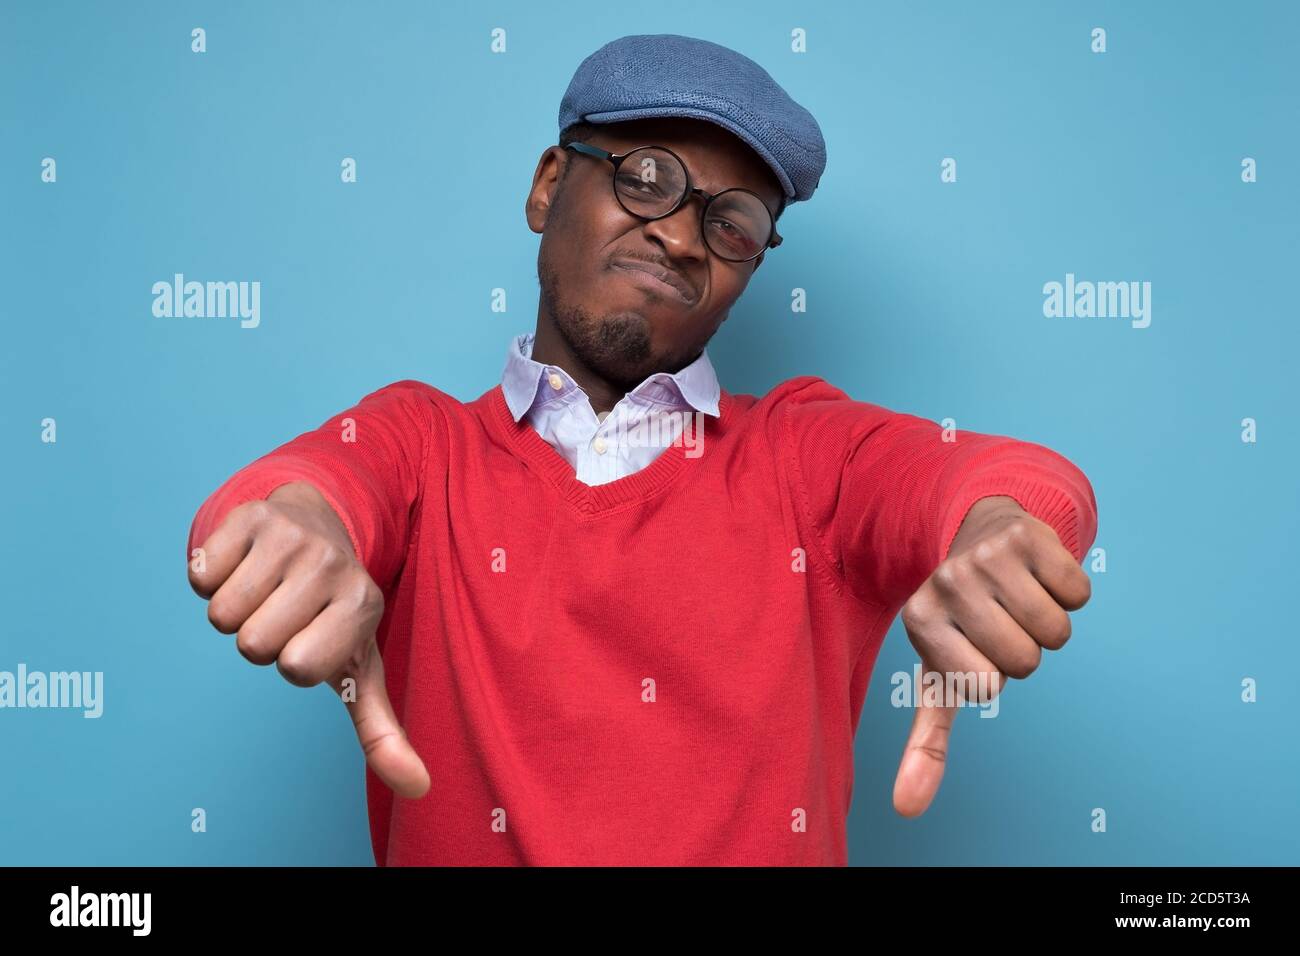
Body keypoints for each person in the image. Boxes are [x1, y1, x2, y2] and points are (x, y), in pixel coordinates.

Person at [185, 34, 1098, 865]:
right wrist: (295, 523)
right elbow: (308, 488)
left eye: (731, 222)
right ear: (549, 184)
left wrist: (997, 528)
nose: (677, 235)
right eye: (646, 177)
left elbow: (991, 477)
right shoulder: (424, 447)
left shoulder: (803, 455)